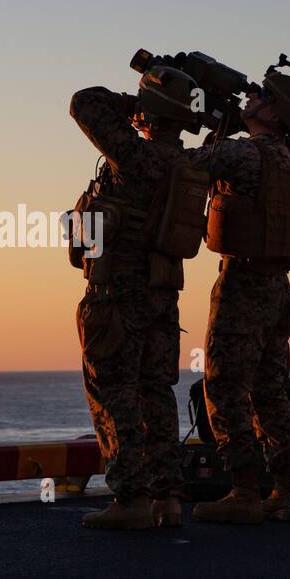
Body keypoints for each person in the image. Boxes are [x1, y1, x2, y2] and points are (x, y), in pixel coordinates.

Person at [68, 65, 208, 529]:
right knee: (155, 393)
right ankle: (166, 499)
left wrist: (132, 104)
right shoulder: (189, 165)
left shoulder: (135, 156)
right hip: (162, 298)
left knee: (114, 393)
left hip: (116, 295)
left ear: (151, 112)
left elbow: (83, 101)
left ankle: (128, 500)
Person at [189, 65, 290, 524]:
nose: (251, 98)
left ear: (274, 112)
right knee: (268, 389)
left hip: (243, 283)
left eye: (261, 95)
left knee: (223, 384)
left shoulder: (246, 155)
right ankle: (289, 489)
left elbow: (186, 168)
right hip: (278, 287)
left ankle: (244, 489)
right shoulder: (288, 161)